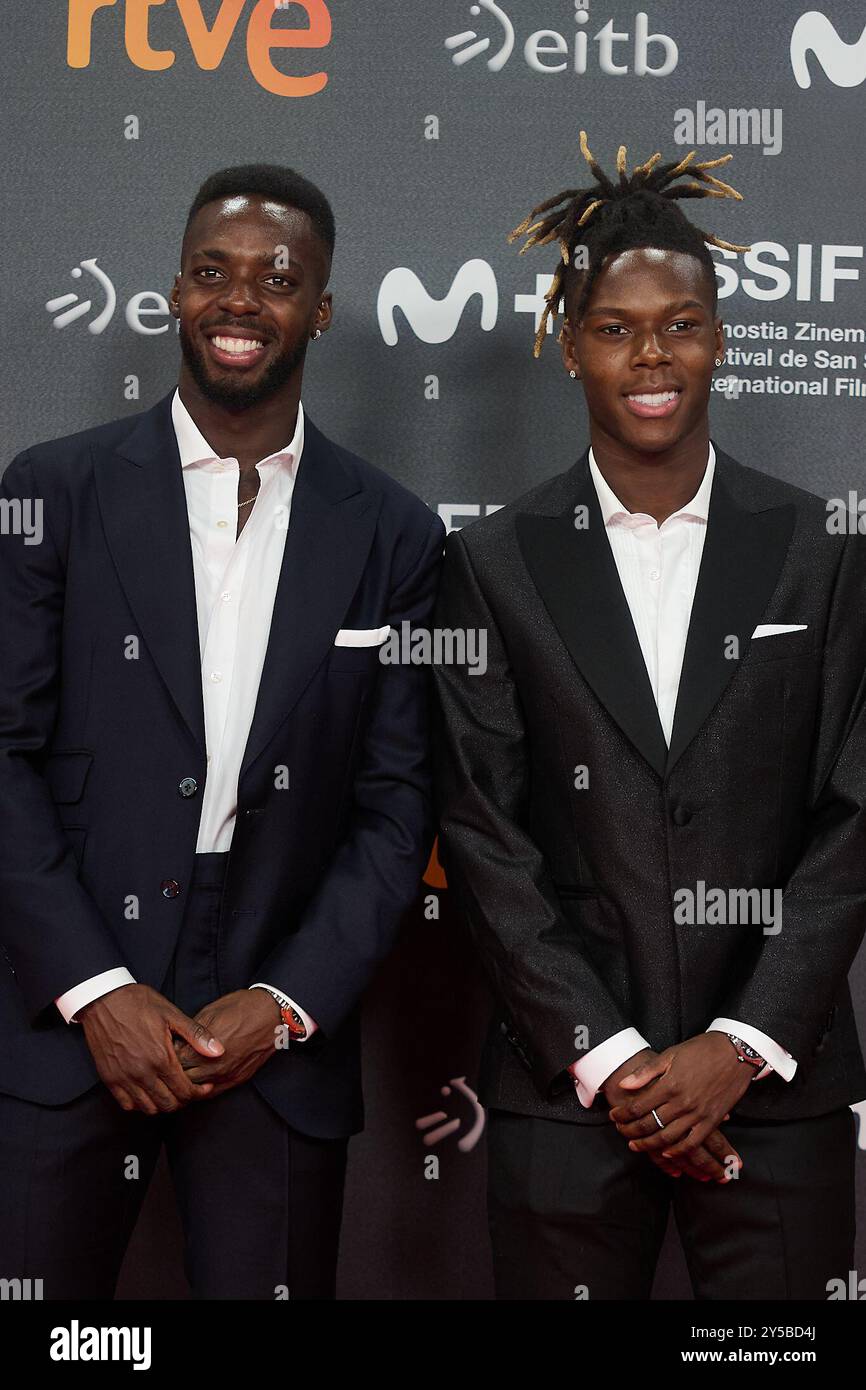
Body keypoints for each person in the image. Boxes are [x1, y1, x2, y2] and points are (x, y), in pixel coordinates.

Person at [433, 131, 866, 1300]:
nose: (650, 354)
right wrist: (616, 1059)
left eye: (677, 323)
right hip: (568, 1099)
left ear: (718, 336)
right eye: (616, 329)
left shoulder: (821, 552)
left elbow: (851, 818)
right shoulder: (491, 561)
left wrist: (736, 1045)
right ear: (570, 345)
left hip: (776, 1091)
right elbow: (481, 832)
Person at [0, 163, 444, 1299]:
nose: (239, 300)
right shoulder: (54, 490)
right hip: (66, 1006)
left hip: (274, 1016)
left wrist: (284, 1004)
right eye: (213, 272)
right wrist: (97, 988)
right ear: (174, 294)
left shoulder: (391, 532)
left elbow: (398, 809)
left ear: (322, 309)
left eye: (276, 279)